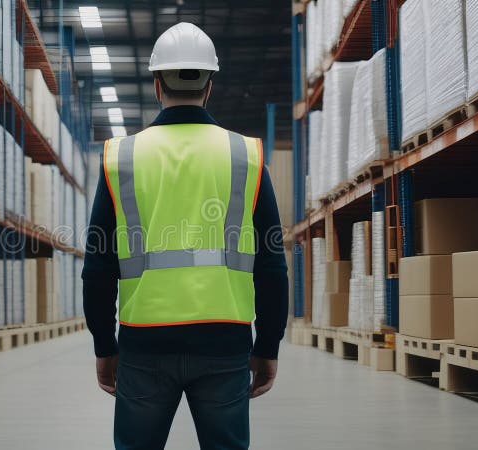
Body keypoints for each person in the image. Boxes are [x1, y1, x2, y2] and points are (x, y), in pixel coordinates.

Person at [82, 22, 288, 450]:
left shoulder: (122, 158)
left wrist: (105, 344)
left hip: (143, 342)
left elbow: (97, 266)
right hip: (225, 341)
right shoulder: (245, 157)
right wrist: (267, 345)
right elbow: (271, 265)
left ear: (157, 84)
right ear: (209, 85)